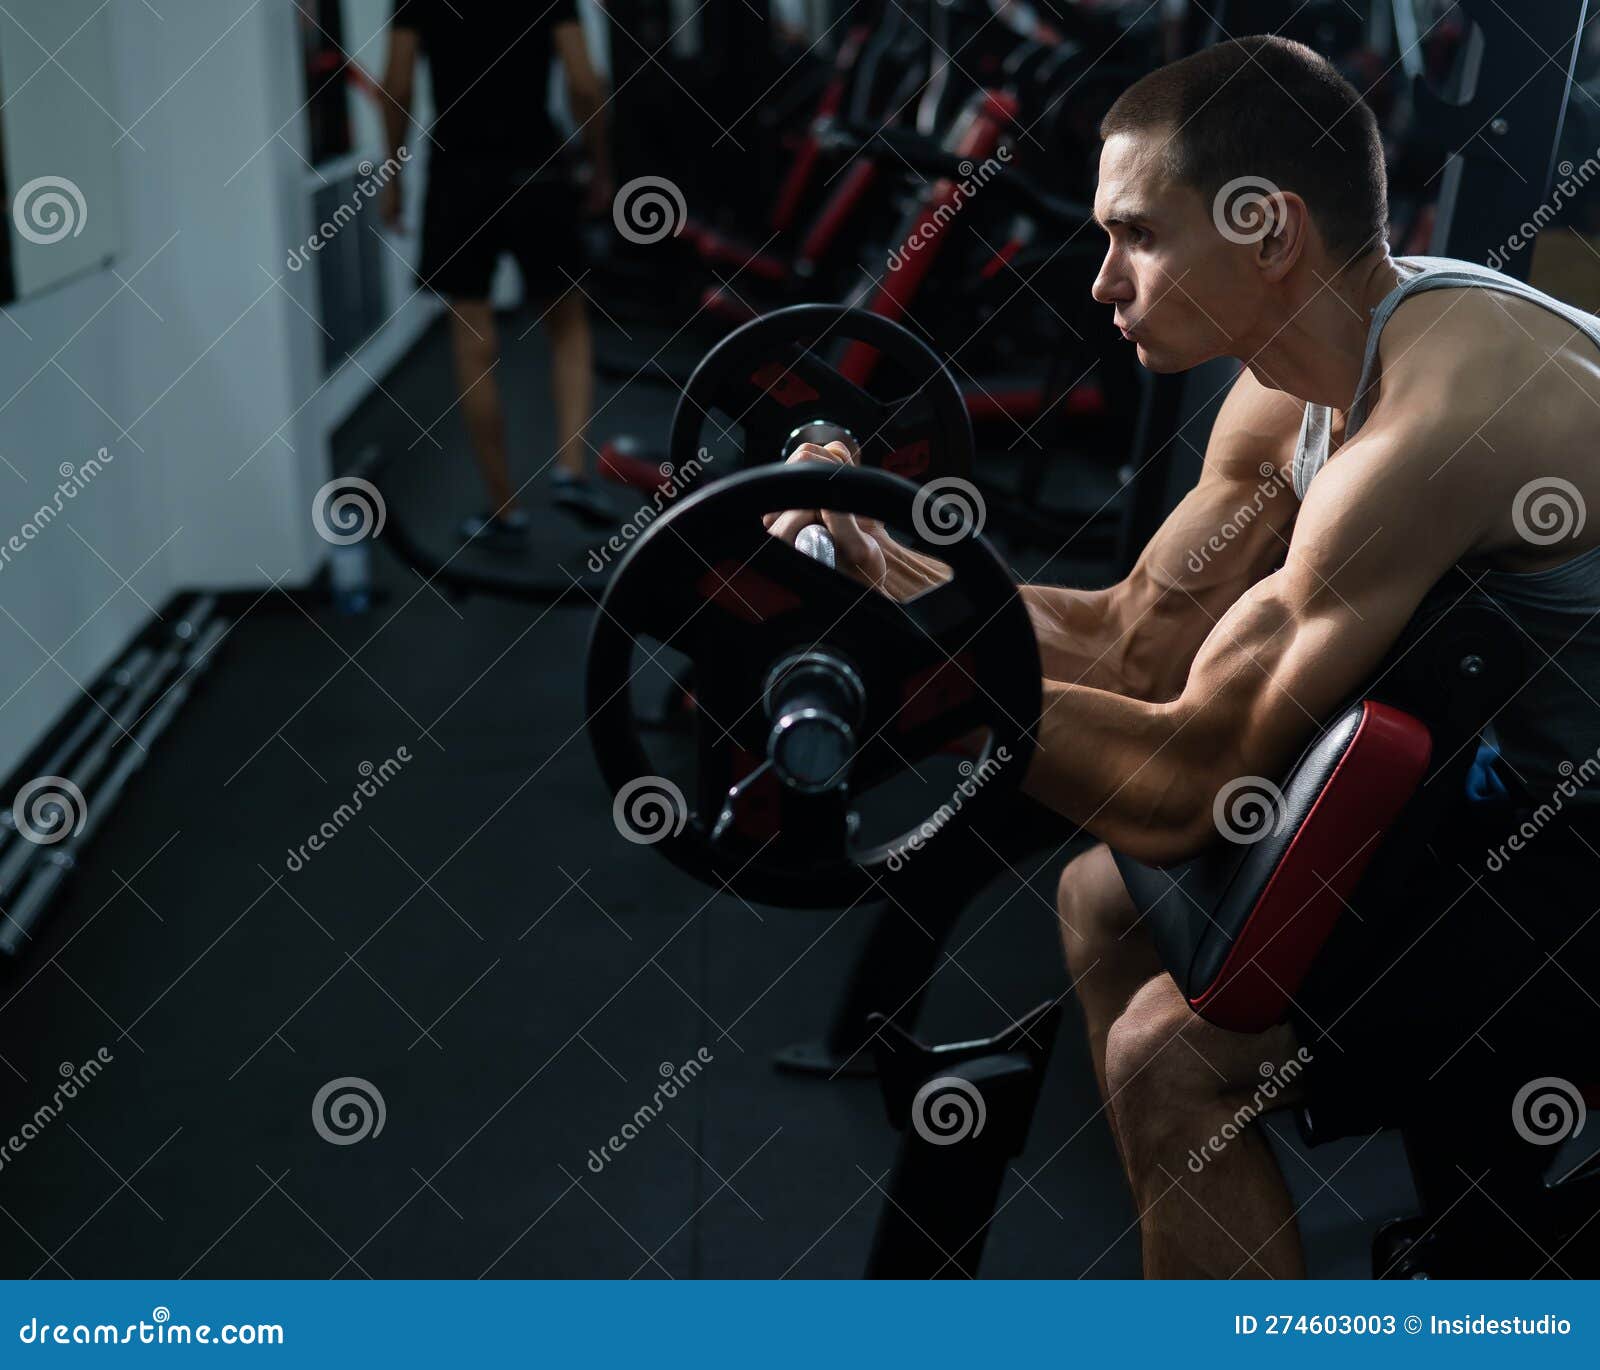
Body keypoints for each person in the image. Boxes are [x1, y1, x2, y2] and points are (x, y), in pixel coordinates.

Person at [768, 35, 1600, 1276]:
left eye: (1139, 237)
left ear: (1268, 233)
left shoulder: (1434, 417)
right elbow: (1134, 639)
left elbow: (1195, 773)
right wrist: (888, 560)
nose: (1102, 281)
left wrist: (925, 638)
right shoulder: (1303, 371)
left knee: (1169, 1056)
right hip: (1535, 791)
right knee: (1103, 898)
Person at [380, 0, 617, 548]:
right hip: (538, 170)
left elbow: (396, 85)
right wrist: (600, 162)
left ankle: (504, 511)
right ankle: (572, 471)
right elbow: (585, 81)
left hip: (458, 177)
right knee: (568, 324)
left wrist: (391, 175)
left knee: (472, 342)